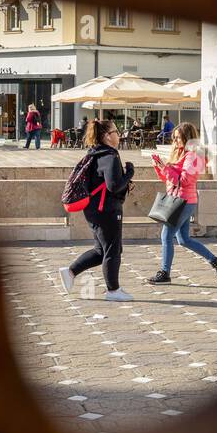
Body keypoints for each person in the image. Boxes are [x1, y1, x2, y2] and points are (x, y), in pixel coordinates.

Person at [59, 119, 135, 301]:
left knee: (102, 250)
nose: (119, 134)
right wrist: (129, 173)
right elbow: (114, 186)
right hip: (106, 210)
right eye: (116, 131)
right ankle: (113, 290)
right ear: (107, 136)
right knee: (112, 250)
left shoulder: (96, 153)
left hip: (95, 209)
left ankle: (70, 272)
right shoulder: (110, 155)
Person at [146, 123, 217, 284]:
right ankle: (216, 261)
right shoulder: (182, 154)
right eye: (173, 137)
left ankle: (164, 273)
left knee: (166, 235)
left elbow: (184, 181)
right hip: (179, 199)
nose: (174, 140)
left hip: (183, 201)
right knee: (183, 239)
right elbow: (169, 180)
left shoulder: (194, 156)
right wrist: (159, 167)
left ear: (187, 137)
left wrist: (166, 168)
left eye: (177, 137)